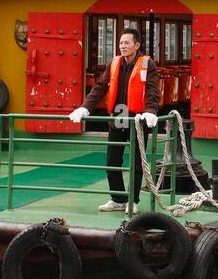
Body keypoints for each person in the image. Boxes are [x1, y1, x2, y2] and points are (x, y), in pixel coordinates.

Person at [69, 29, 161, 212]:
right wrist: (85, 107)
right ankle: (118, 199)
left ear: (137, 45)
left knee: (136, 162)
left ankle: (132, 201)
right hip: (119, 114)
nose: (123, 46)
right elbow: (100, 87)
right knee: (112, 160)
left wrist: (151, 111)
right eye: (121, 43)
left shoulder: (147, 64)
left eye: (127, 43)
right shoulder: (114, 63)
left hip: (138, 118)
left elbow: (152, 91)